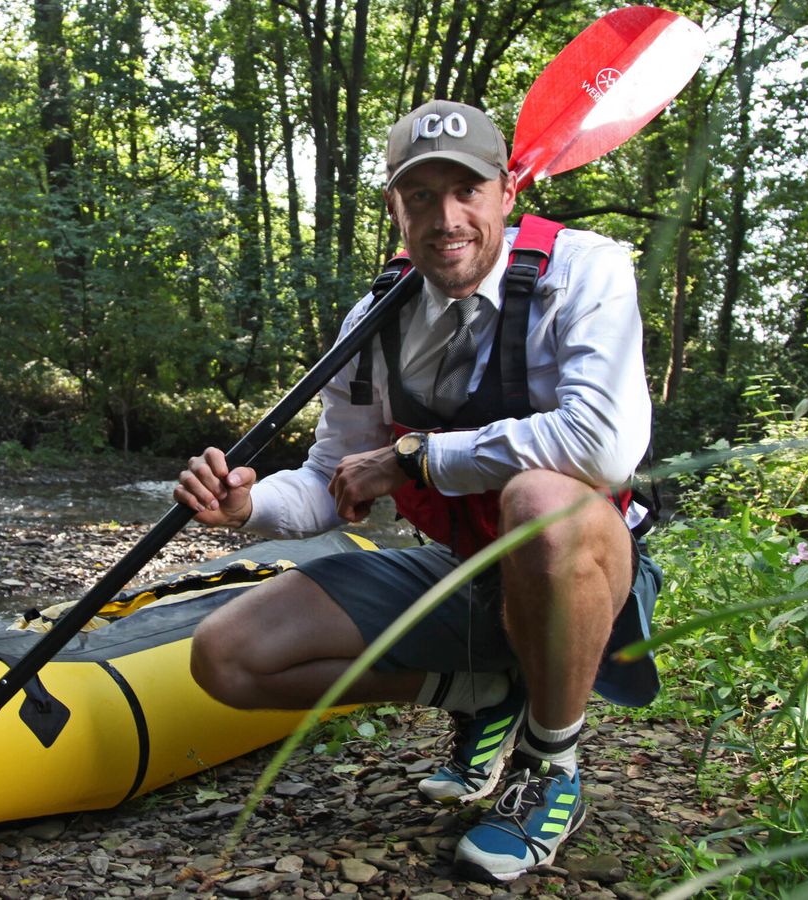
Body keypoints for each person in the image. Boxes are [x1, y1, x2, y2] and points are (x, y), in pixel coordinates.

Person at [173, 99, 662, 883]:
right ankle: (479, 688)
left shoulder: (584, 269)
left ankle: (549, 761)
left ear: (507, 190)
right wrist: (246, 505)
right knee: (227, 659)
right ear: (395, 208)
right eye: (422, 196)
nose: (448, 217)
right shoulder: (376, 318)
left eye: (467, 189)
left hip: (589, 569)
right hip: (466, 574)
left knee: (540, 500)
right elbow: (330, 482)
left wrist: (413, 458)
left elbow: (601, 447)